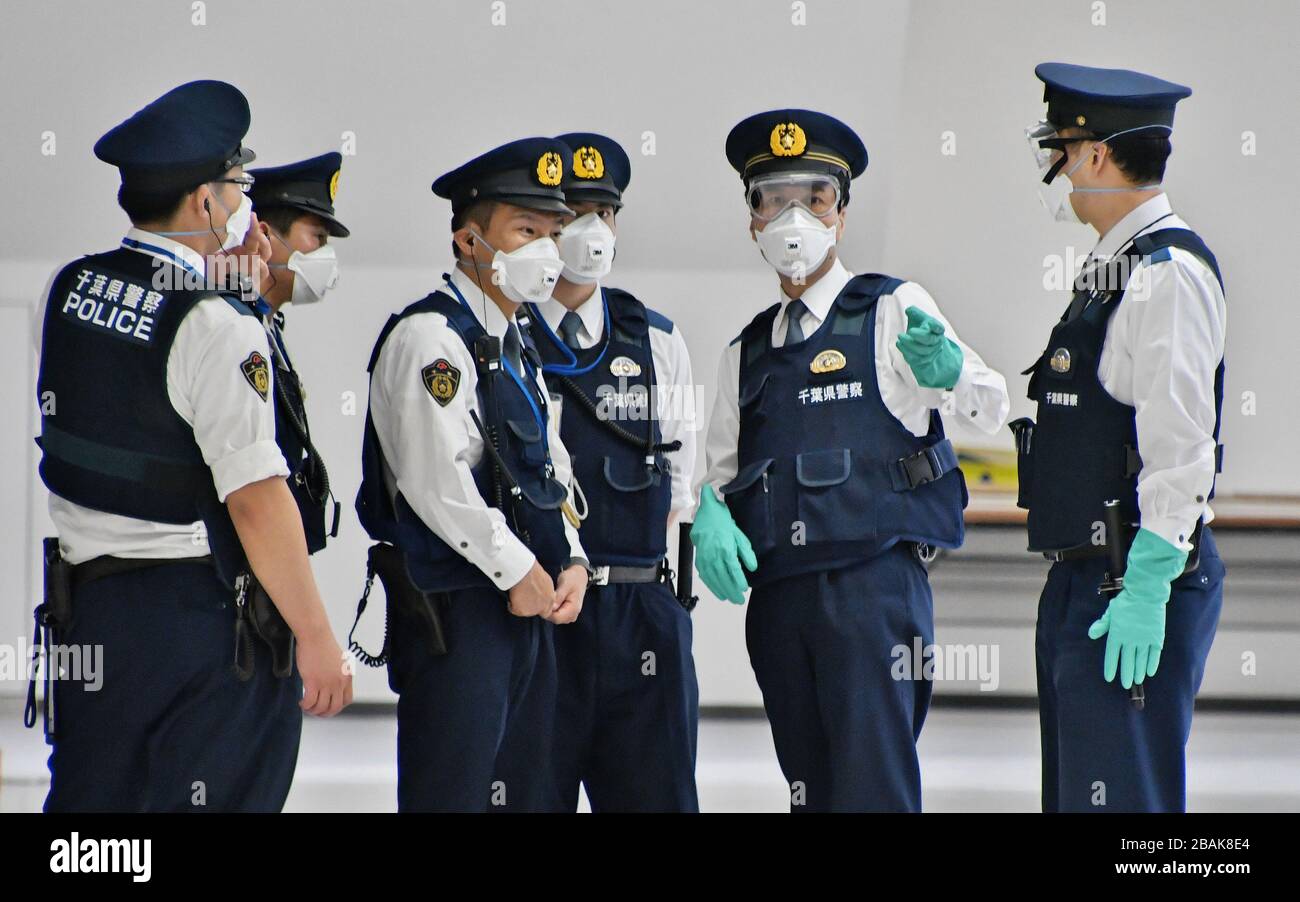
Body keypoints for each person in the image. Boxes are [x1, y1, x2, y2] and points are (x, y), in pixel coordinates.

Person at [31, 80, 352, 813]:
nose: (244, 204)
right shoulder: (215, 326)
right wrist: (316, 636)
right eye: (238, 186)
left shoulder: (70, 285)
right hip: (198, 627)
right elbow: (256, 500)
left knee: (95, 829)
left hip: (92, 614)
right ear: (204, 201)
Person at [692, 109, 1009, 811]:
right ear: (752, 217)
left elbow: (991, 405)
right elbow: (716, 476)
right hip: (780, 603)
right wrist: (706, 513)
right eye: (773, 198)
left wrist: (952, 371)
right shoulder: (744, 354)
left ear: (841, 213)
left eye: (815, 197)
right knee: (810, 789)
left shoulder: (892, 308)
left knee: (873, 787)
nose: (793, 216)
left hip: (873, 591)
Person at [355, 137, 590, 812]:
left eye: (552, 232)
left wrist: (570, 558)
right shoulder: (432, 339)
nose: (546, 250)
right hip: (461, 612)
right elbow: (437, 483)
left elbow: (553, 473)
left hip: (527, 607)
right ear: (468, 240)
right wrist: (516, 569)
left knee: (526, 795)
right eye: (525, 230)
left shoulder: (518, 347)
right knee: (453, 794)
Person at [1017, 63, 1227, 812]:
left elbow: (1182, 448)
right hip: (1087, 577)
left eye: (1062, 151)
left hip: (1131, 581)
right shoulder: (1115, 267)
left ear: (1096, 155)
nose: (1059, 171)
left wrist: (1146, 584)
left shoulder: (1165, 277)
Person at [525, 132, 699, 812]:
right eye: (571, 212)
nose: (590, 231)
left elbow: (681, 483)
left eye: (605, 212)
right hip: (537, 612)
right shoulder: (503, 334)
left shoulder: (657, 338)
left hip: (639, 612)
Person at [248, 151, 349, 553]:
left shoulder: (270, 327)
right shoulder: (236, 329)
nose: (326, 254)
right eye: (317, 239)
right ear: (268, 236)